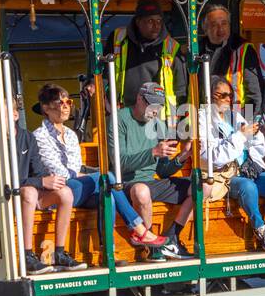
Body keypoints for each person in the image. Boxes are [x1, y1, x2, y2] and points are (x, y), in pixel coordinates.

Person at [30, 83, 166, 251]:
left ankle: (108, 251)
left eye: (69, 103)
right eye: (61, 103)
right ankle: (139, 229)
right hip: (56, 193)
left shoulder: (71, 135)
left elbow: (75, 167)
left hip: (76, 187)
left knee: (107, 193)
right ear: (46, 108)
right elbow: (60, 172)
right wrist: (85, 175)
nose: (66, 107)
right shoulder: (39, 136)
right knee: (107, 179)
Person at [199, 77, 265, 251]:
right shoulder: (202, 119)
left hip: (249, 170)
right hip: (225, 175)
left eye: (231, 95)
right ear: (211, 96)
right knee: (248, 187)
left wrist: (257, 134)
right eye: (223, 95)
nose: (228, 99)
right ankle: (261, 231)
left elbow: (257, 149)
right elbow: (211, 158)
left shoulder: (234, 116)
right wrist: (241, 135)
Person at [115, 82, 196, 260]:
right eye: (151, 104)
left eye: (159, 106)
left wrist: (182, 156)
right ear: (139, 98)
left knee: (200, 187)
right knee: (141, 190)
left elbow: (163, 171)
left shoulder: (159, 124)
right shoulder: (119, 119)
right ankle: (152, 246)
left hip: (151, 182)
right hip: (126, 183)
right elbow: (119, 164)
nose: (155, 110)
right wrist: (153, 152)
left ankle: (172, 237)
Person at [13, 97, 82, 274]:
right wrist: (41, 182)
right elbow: (6, 179)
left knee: (65, 192)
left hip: (30, 193)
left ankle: (59, 253)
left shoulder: (27, 137)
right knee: (29, 192)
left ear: (14, 115)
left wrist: (48, 180)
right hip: (8, 196)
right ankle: (27, 255)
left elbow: (36, 170)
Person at [110, 0, 186, 118]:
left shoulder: (171, 46)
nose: (156, 26)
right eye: (150, 21)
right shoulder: (118, 38)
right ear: (138, 22)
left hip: (158, 115)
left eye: (159, 21)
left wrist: (175, 119)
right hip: (125, 112)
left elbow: (180, 87)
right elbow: (103, 72)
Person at [200, 4, 262, 115]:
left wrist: (245, 123)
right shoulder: (197, 52)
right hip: (205, 119)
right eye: (214, 25)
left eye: (224, 23)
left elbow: (254, 95)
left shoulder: (243, 49)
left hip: (236, 120)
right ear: (205, 29)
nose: (220, 29)